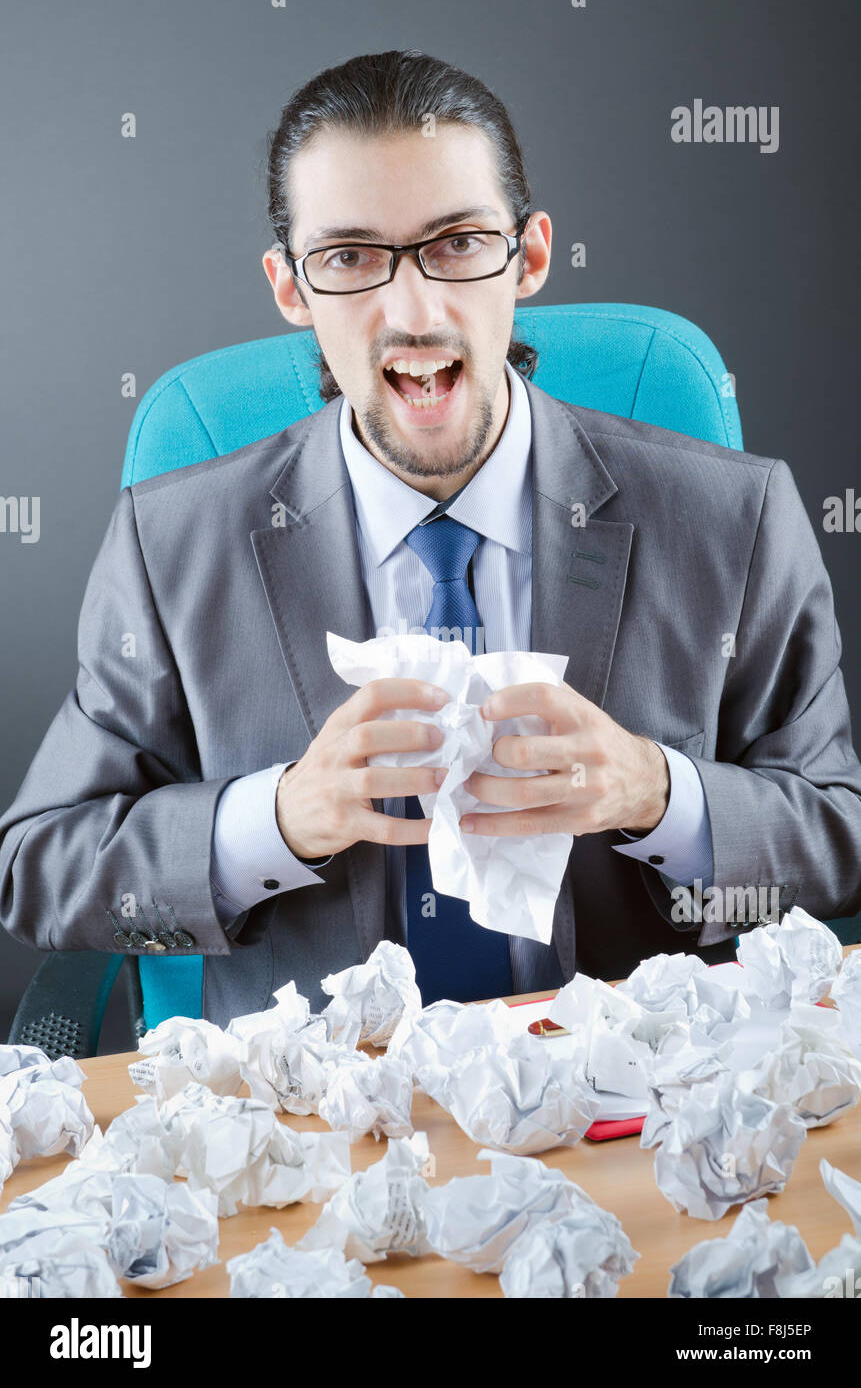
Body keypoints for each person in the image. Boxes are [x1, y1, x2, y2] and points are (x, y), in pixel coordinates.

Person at [1, 50, 860, 1025]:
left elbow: (837, 839)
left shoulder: (731, 517)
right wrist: (275, 821)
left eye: (455, 242)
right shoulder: (171, 545)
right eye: (351, 257)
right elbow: (42, 870)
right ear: (292, 288)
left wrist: (653, 791)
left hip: (630, 1121)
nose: (413, 311)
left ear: (528, 255)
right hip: (316, 1131)